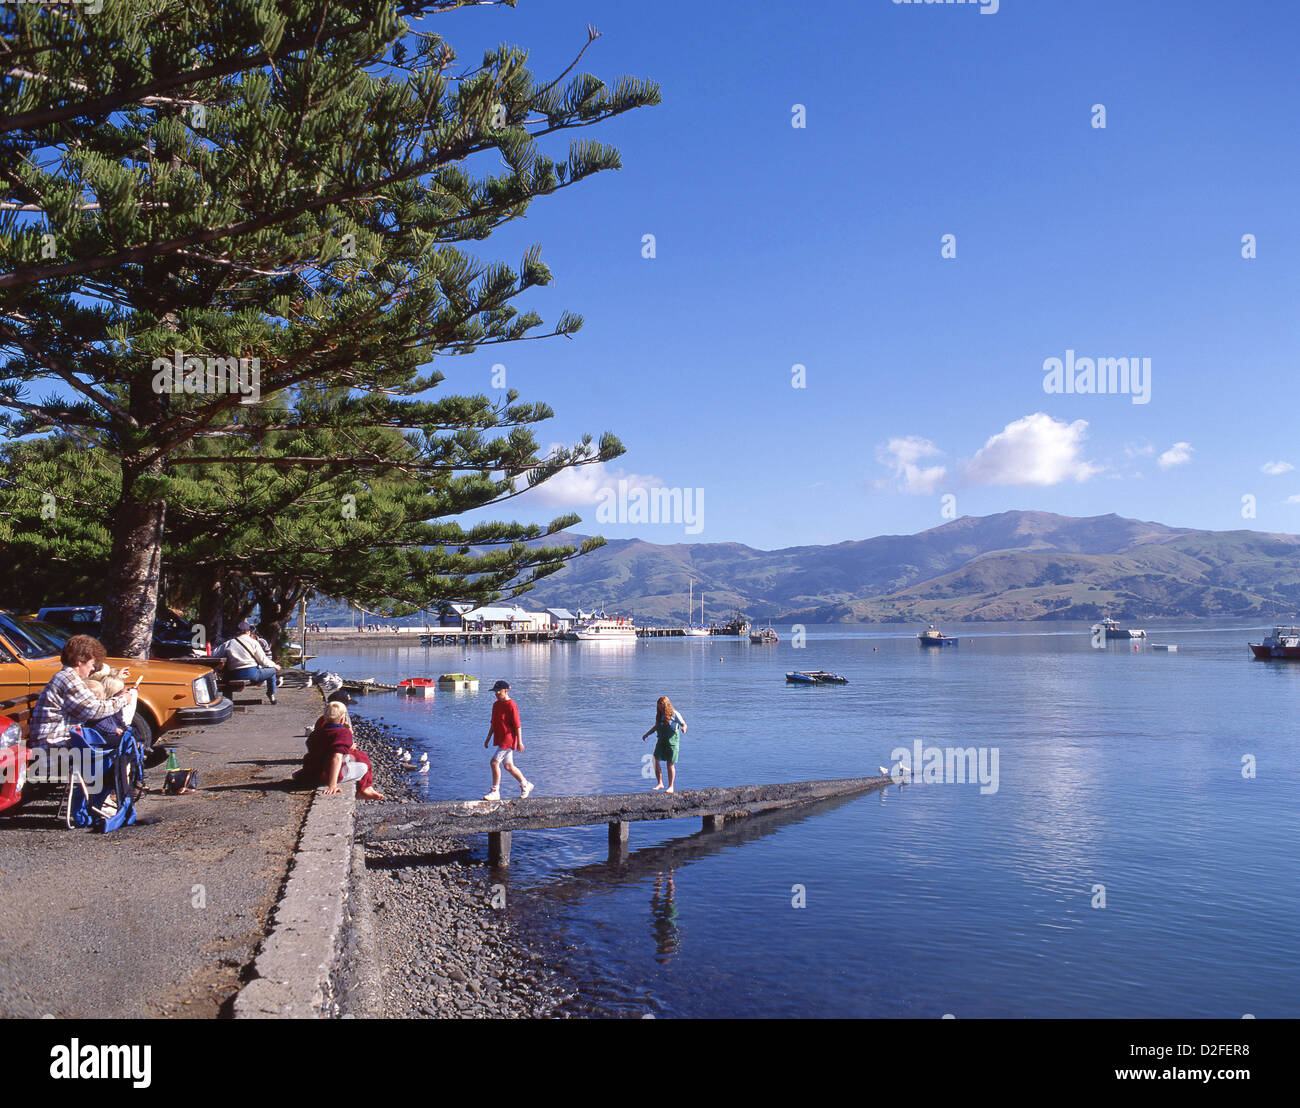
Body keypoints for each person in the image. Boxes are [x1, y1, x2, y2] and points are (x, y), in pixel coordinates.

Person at [29, 634, 137, 749]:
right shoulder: (68, 679)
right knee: (123, 742)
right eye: (91, 664)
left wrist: (117, 696)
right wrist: (123, 699)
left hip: (63, 739)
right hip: (53, 745)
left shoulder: (70, 677)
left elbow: (92, 706)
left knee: (124, 740)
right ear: (80, 661)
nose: (92, 668)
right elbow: (93, 710)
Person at [299, 699, 384, 799]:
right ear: (342, 718)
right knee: (364, 762)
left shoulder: (316, 733)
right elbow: (336, 757)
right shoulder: (342, 733)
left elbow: (317, 748)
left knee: (355, 754)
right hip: (326, 775)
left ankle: (366, 789)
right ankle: (365, 788)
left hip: (313, 773)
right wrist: (332, 785)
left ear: (324, 718)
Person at [483, 680, 532, 801]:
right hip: (500, 738)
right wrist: (488, 738)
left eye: (498, 692)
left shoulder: (512, 706)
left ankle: (495, 791)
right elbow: (493, 723)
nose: (496, 694)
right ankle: (525, 784)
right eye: (495, 692)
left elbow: (517, 725)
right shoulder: (496, 705)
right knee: (509, 766)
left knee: (494, 763)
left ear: (506, 691)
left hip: (508, 739)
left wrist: (520, 742)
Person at [216, 620, 280, 704]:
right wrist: (275, 666)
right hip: (251, 674)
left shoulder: (228, 643)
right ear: (248, 631)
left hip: (233, 675)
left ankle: (228, 700)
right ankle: (271, 695)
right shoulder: (253, 642)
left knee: (227, 678)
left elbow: (214, 654)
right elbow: (263, 661)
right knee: (272, 671)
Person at [641, 695, 687, 793]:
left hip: (672, 742)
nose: (660, 709)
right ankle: (660, 783)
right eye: (658, 707)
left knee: (669, 764)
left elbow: (684, 724)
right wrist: (647, 734)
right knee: (654, 760)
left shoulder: (675, 714)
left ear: (666, 705)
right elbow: (656, 727)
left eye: (662, 707)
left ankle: (671, 786)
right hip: (661, 741)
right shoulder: (659, 716)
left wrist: (684, 728)